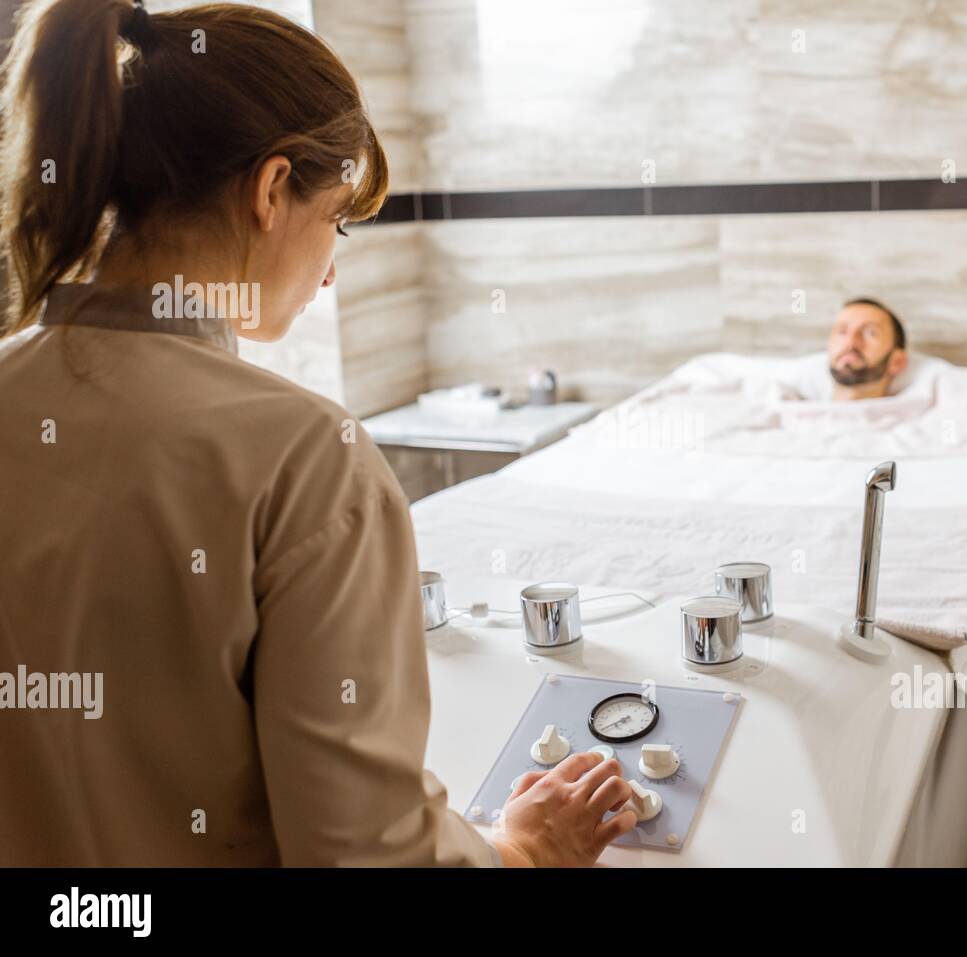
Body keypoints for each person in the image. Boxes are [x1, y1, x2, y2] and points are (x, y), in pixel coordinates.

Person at [0, 0, 636, 866]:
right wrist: (523, 850)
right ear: (269, 191)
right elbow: (362, 856)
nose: (332, 269)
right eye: (336, 218)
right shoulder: (300, 459)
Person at [825, 298, 909, 400]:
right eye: (842, 331)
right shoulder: (802, 409)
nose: (850, 342)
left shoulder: (923, 414)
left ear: (897, 361)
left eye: (870, 333)